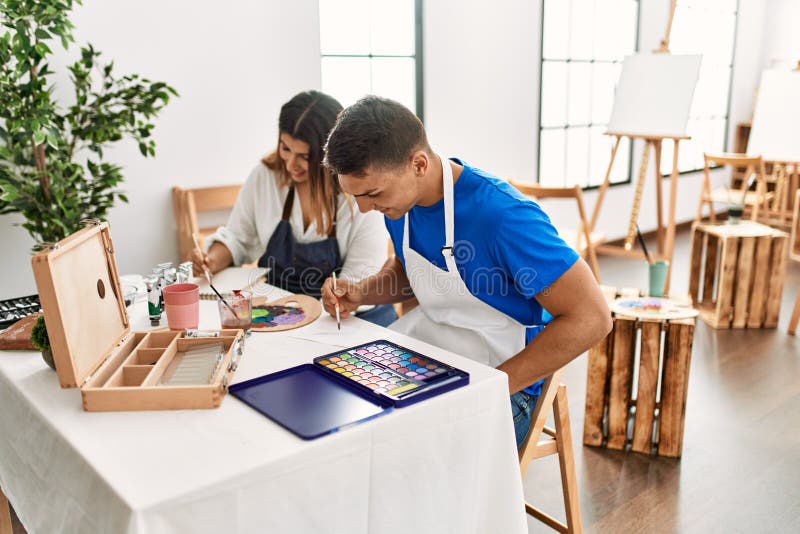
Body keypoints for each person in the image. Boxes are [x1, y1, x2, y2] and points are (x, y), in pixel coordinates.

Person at [321, 95, 612, 446]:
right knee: (339, 413)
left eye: (372, 194)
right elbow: (410, 271)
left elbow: (593, 317)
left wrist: (493, 384)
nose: (365, 209)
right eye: (355, 197)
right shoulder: (398, 206)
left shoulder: (503, 217)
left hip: (506, 383)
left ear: (419, 164)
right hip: (430, 357)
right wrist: (362, 292)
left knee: (399, 449)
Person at [194, 90, 396, 326]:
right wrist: (211, 260)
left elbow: (359, 281)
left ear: (330, 154)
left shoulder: (357, 191)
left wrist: (326, 306)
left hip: (353, 318)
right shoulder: (265, 176)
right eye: (285, 148)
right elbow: (238, 238)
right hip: (284, 315)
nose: (291, 164)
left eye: (304, 156)